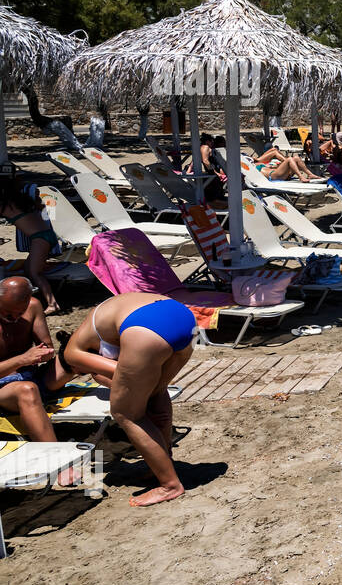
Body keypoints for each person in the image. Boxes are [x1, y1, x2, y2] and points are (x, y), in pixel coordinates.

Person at [60, 293, 196, 506]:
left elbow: (121, 371)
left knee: (126, 413)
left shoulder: (72, 351)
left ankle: (169, 485)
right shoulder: (99, 321)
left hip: (146, 327)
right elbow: (138, 377)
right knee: (156, 394)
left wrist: (128, 377)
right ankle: (162, 464)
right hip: (182, 316)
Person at [0, 277, 77, 441]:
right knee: (26, 390)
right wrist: (22, 359)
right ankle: (54, 458)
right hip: (5, 387)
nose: (13, 318)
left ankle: (131, 415)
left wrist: (45, 353)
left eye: (19, 313)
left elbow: (47, 347)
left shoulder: (33, 306)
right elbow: (24, 360)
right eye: (7, 312)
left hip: (33, 376)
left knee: (76, 355)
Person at [0, 179, 62, 312]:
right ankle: (33, 297)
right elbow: (47, 210)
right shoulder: (24, 202)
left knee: (35, 273)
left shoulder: (5, 206)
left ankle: (53, 304)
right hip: (46, 235)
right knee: (28, 269)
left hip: (39, 239)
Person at [251, 147, 325, 182]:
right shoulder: (251, 167)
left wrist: (273, 166)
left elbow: (273, 151)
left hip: (277, 173)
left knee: (296, 158)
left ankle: (310, 174)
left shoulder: (259, 163)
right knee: (289, 159)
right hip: (273, 176)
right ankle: (301, 177)